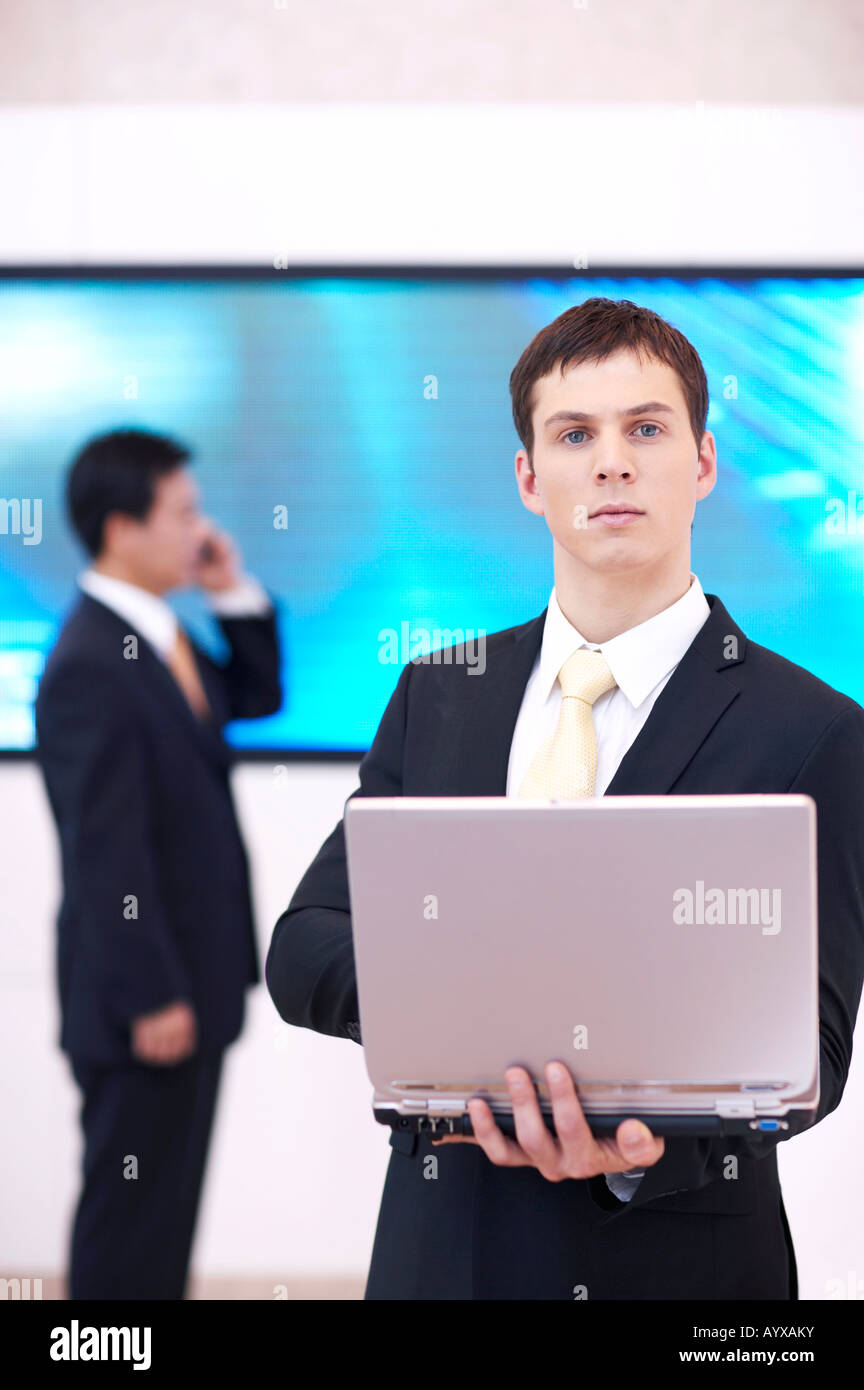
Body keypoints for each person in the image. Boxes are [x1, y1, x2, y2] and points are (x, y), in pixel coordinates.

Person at [265, 298, 864, 1300]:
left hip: (678, 1263)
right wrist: (475, 1014)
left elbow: (816, 1045)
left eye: (646, 429)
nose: (612, 463)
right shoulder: (439, 692)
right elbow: (305, 947)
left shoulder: (814, 730)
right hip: (444, 1247)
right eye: (575, 434)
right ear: (529, 478)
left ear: (704, 463)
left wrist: (639, 1140)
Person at [35, 428, 282, 1300]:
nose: (200, 531)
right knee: (130, 1225)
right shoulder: (91, 661)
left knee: (164, 1218)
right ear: (120, 528)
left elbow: (257, 694)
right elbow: (105, 852)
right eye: (183, 513)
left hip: (193, 983)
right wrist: (151, 996)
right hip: (145, 1002)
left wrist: (229, 591)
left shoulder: (153, 633)